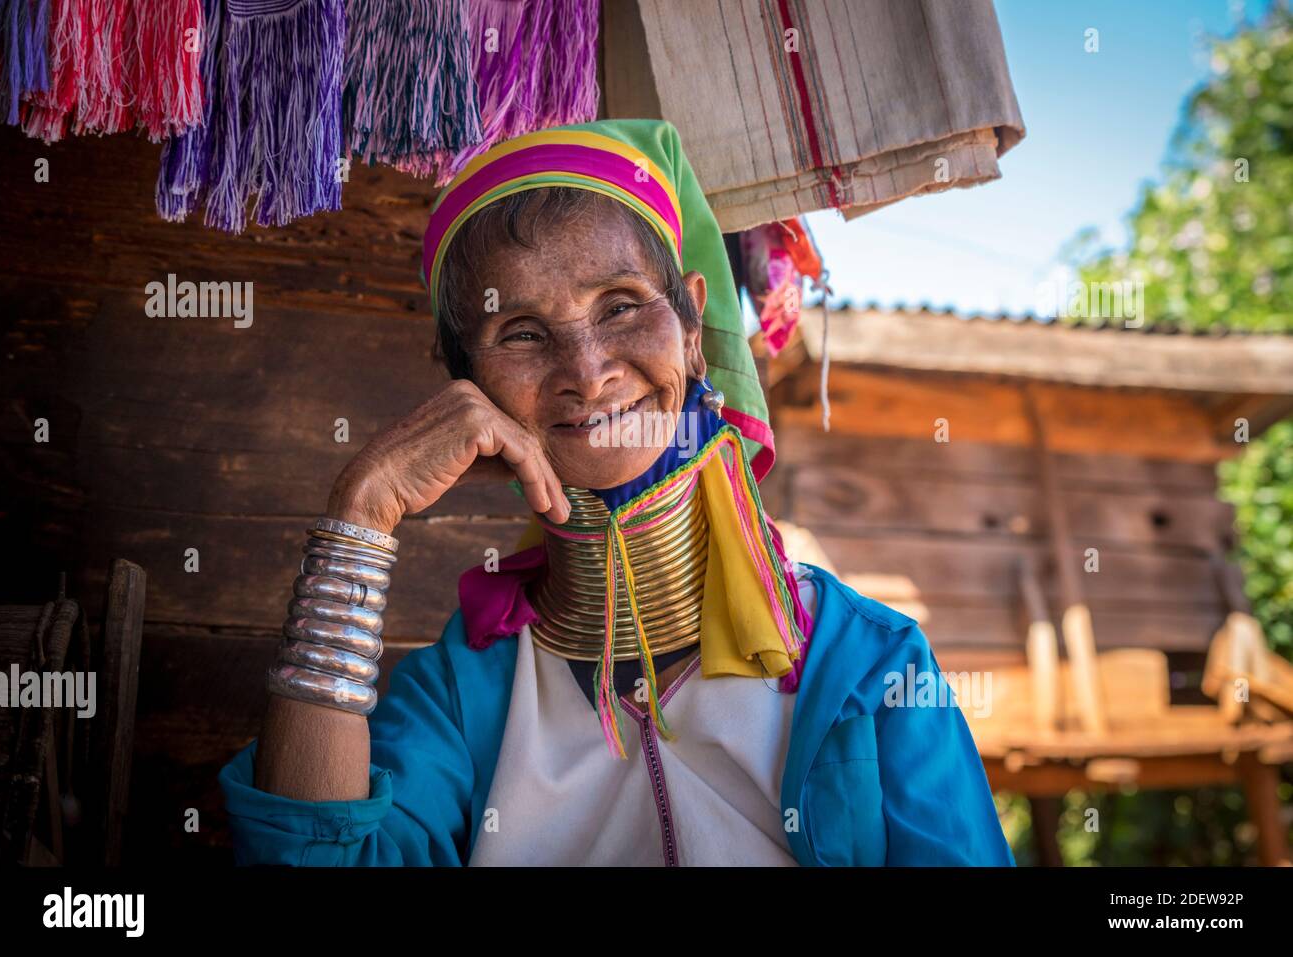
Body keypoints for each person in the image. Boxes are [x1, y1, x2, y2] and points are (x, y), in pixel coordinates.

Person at [218, 119, 1015, 867]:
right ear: (471, 393)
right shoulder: (463, 696)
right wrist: (358, 515)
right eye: (522, 334)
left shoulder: (866, 664)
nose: (587, 370)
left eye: (622, 305)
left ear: (694, 326)